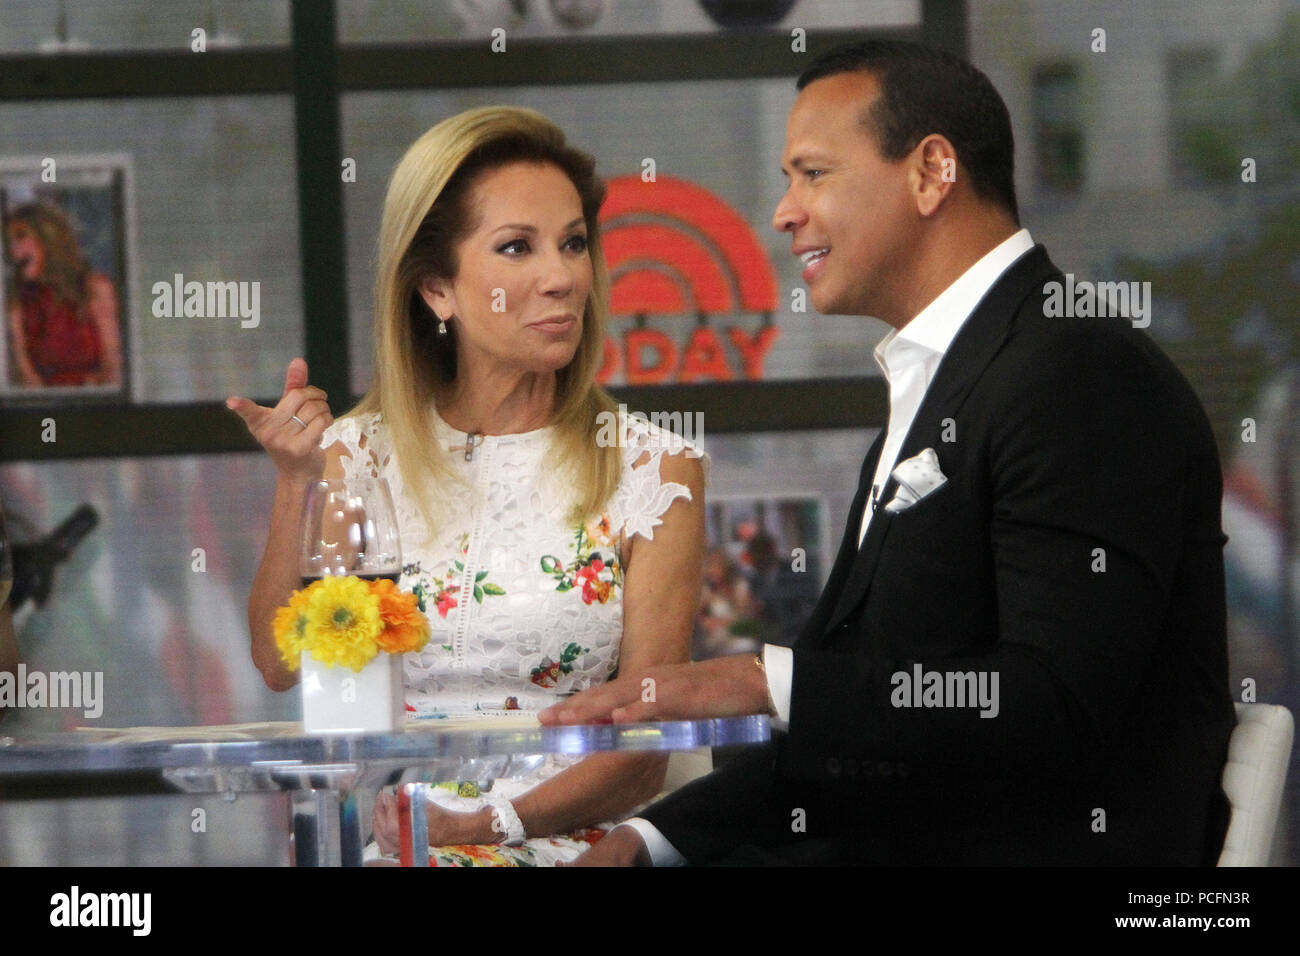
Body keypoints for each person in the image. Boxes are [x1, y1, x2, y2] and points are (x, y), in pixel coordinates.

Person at [544, 38, 1236, 866]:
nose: (784, 211)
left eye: (813, 173)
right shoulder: (952, 385)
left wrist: (765, 682)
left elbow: (1055, 709)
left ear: (931, 171)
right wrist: (648, 838)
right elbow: (865, 733)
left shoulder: (1076, 371)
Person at [229, 107, 705, 865]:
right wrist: (297, 483)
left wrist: (484, 828)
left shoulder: (652, 468)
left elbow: (644, 751)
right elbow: (280, 665)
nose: (561, 277)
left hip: (567, 841)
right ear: (437, 290)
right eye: (517, 247)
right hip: (394, 838)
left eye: (574, 244)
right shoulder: (357, 454)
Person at [4, 202, 122, 389]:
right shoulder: (17, 302)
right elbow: (23, 375)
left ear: (48, 238)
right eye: (7, 242)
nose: (12, 249)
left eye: (21, 237)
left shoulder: (95, 289)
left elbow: (113, 367)